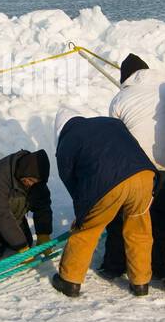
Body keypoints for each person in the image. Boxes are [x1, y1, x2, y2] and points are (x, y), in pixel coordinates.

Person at [52, 109, 156, 297]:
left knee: (88, 230)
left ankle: (70, 281)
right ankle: (141, 283)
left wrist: (83, 215)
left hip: (109, 183)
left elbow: (73, 185)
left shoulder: (66, 143)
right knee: (139, 231)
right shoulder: (110, 123)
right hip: (144, 174)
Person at [103, 53, 165, 280]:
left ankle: (116, 264)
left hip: (141, 170)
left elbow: (116, 139)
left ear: (125, 78)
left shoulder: (120, 98)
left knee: (129, 217)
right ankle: (164, 266)